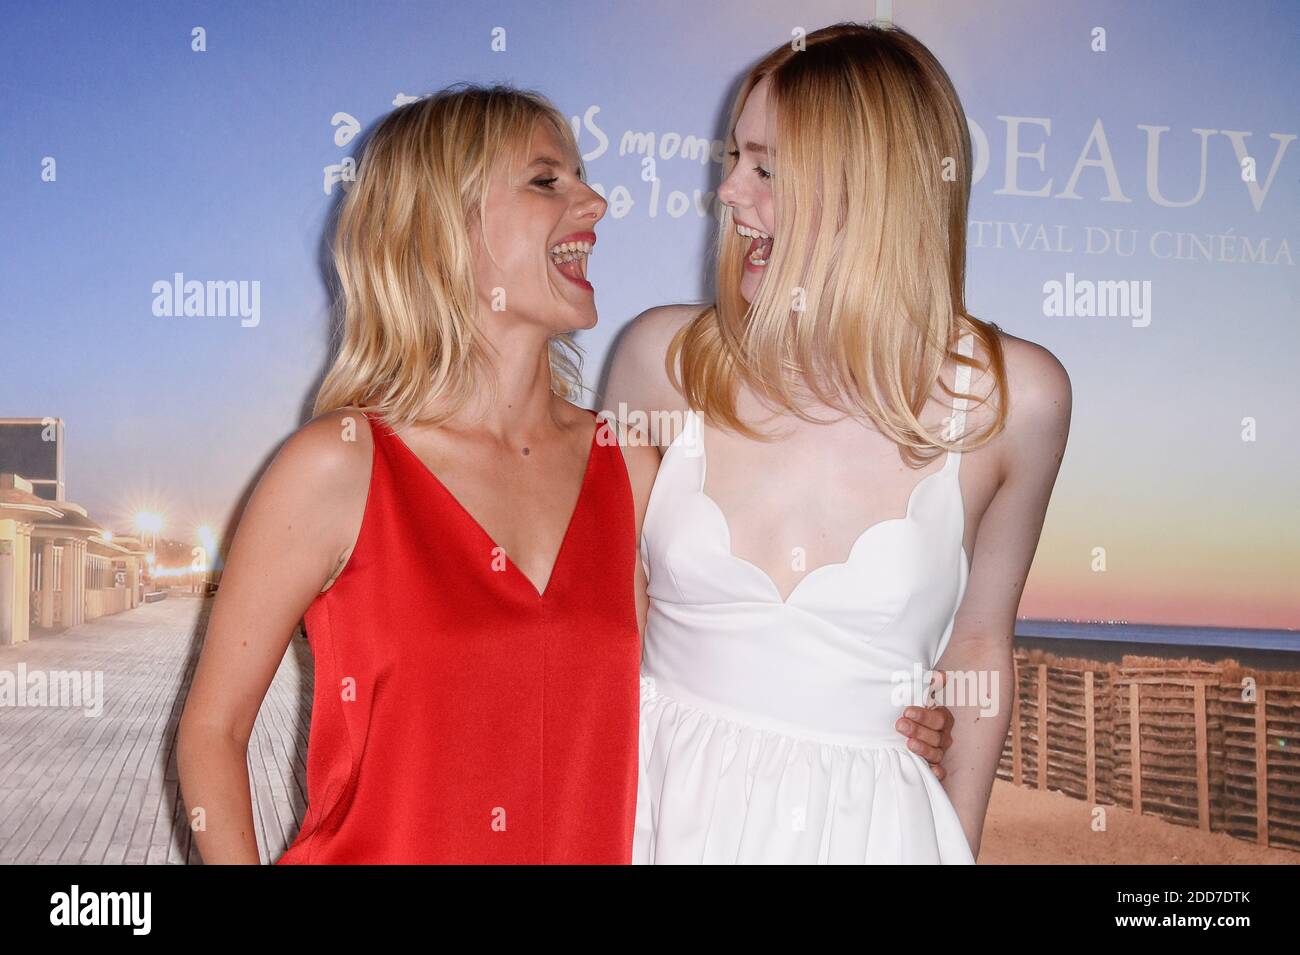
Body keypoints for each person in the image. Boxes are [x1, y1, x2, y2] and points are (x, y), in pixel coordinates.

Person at [604, 22, 1072, 863]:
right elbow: (602, 612)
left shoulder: (1016, 399)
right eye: (735, 161)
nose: (730, 194)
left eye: (767, 169)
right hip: (649, 811)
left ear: (871, 187)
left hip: (873, 834)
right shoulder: (661, 362)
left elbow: (977, 648)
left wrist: (951, 843)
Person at [176, 84, 658, 863]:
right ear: (441, 228)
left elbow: (703, 692)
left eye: (581, 176)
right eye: (547, 181)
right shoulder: (338, 466)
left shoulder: (630, 470)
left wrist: (901, 713)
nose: (595, 202)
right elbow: (211, 733)